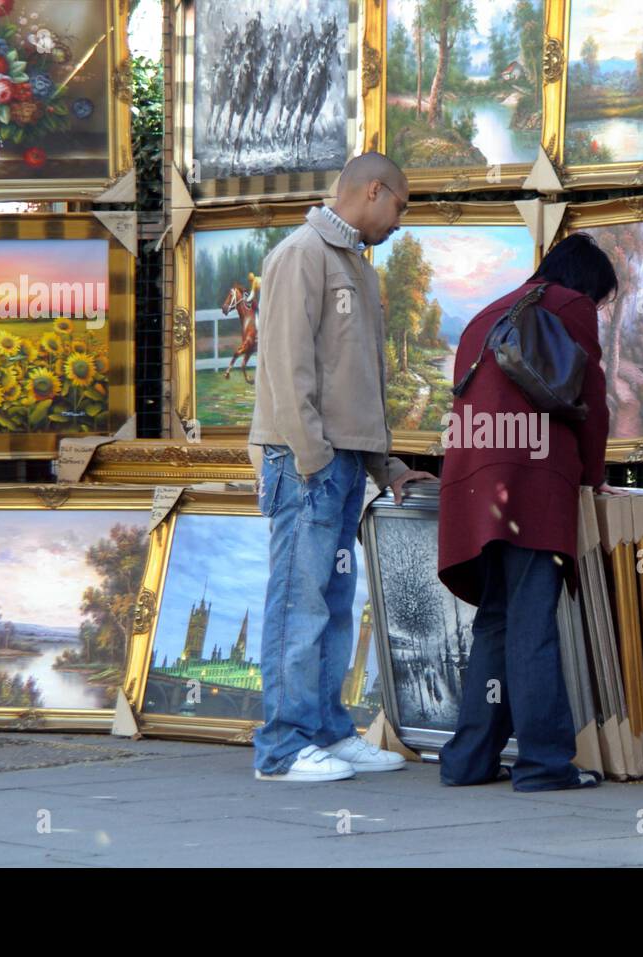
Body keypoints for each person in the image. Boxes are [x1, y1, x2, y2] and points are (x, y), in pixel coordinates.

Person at [248, 152, 435, 783]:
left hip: (342, 463)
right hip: (307, 463)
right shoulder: (300, 255)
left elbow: (360, 383)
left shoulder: (357, 265)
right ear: (374, 190)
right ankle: (281, 749)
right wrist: (311, 458)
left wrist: (387, 467)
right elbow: (285, 365)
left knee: (332, 604)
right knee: (298, 604)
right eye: (400, 205)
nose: (400, 220)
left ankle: (327, 732)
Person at [435, 233, 618, 792]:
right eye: (602, 298)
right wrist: (593, 477)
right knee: (534, 620)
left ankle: (469, 760)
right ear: (588, 283)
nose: (598, 308)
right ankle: (543, 764)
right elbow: (591, 401)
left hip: (474, 483)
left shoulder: (487, 312)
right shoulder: (569, 305)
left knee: (497, 618)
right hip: (530, 482)